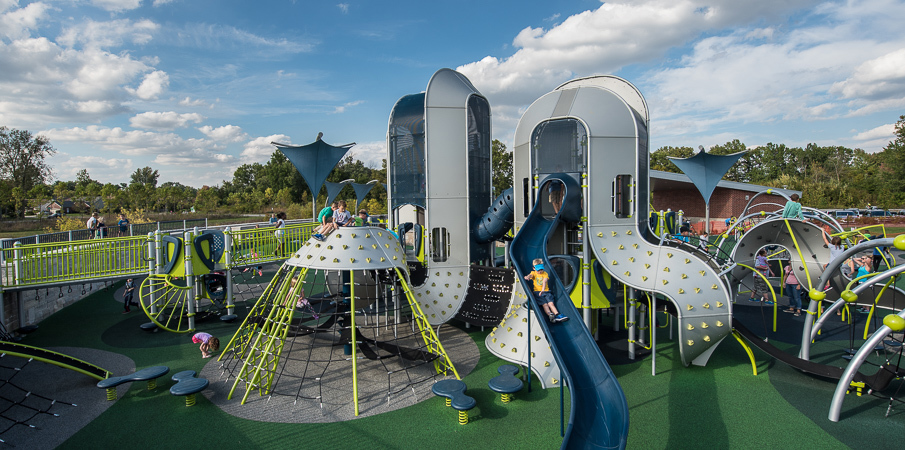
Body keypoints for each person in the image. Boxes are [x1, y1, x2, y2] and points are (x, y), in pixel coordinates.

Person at [524, 258, 568, 323]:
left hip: (546, 291)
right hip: (537, 292)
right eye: (538, 270)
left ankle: (557, 315)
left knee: (551, 303)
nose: (540, 271)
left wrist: (543, 290)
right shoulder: (534, 273)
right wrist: (527, 277)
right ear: (534, 268)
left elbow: (544, 281)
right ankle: (550, 314)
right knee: (545, 305)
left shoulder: (545, 274)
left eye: (541, 269)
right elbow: (530, 275)